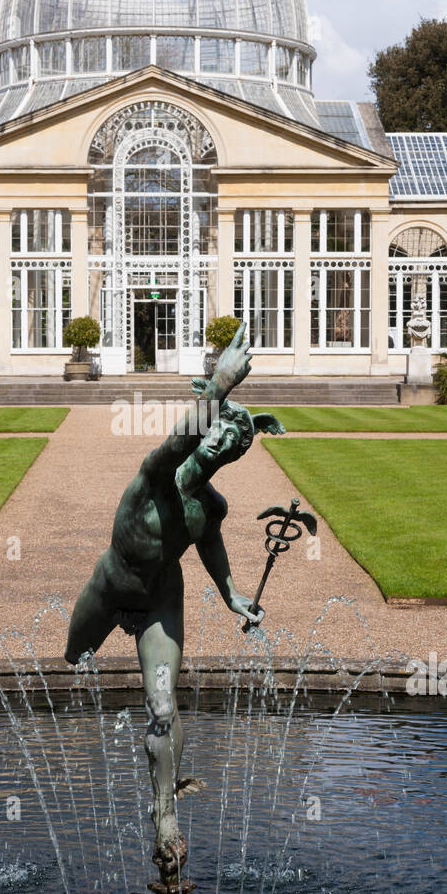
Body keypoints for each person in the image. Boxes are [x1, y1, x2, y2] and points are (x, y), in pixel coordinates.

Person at [64, 322, 284, 866]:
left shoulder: (211, 507)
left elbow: (210, 548)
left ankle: (164, 817)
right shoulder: (157, 476)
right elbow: (177, 440)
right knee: (71, 662)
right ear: (206, 429)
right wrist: (219, 388)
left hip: (162, 601)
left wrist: (233, 595)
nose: (224, 448)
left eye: (235, 447)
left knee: (163, 706)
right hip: (110, 589)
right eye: (221, 435)